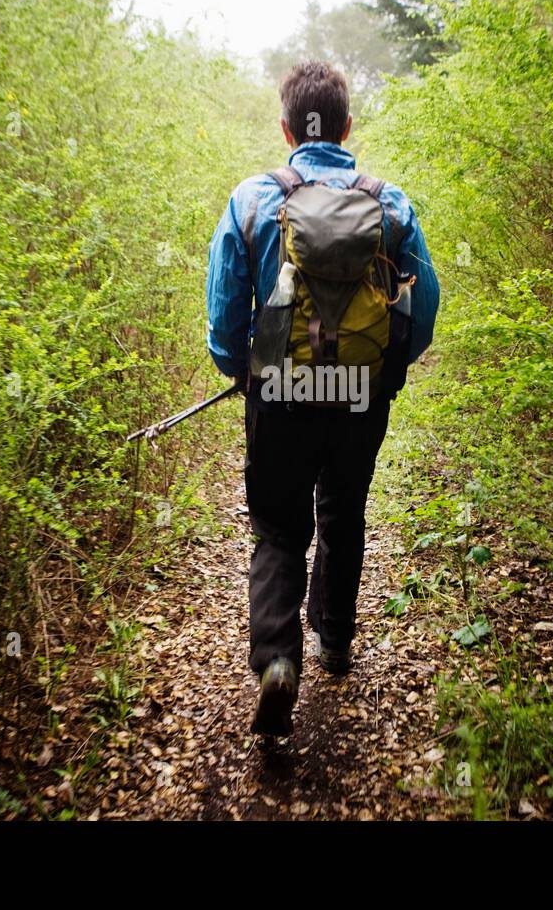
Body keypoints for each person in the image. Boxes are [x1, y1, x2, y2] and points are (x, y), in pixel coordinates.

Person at [205, 61, 439, 736]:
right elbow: (423, 308)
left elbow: (226, 315)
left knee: (278, 526)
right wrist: (387, 369)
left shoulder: (253, 199)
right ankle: (333, 642)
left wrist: (241, 370)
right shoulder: (390, 204)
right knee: (343, 510)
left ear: (286, 128)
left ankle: (278, 662)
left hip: (279, 393)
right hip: (360, 396)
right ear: (347, 126)